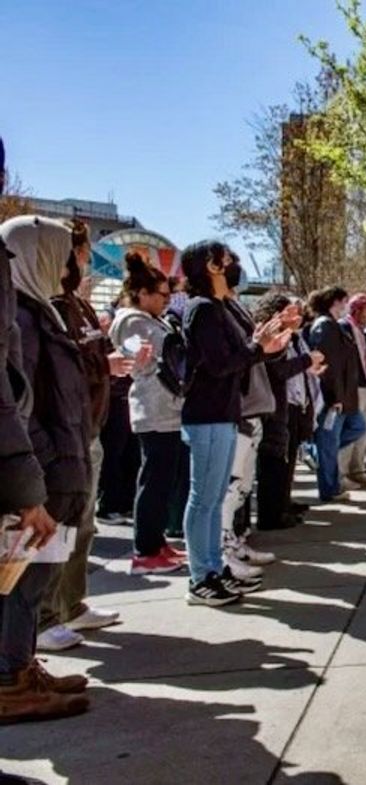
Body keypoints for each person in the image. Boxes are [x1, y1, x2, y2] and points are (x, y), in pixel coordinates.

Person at [0, 205, 89, 723]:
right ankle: (11, 678)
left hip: (54, 470)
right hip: (43, 475)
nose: (67, 268)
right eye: (59, 255)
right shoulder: (25, 320)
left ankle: (20, 664)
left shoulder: (39, 311)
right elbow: (17, 404)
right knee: (21, 581)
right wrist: (44, 466)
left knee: (33, 582)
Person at [180, 241, 291, 606]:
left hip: (223, 412)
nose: (231, 264)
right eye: (225, 259)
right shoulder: (202, 310)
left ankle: (213, 568)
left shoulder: (219, 308)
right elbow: (220, 363)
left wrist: (260, 345)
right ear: (211, 266)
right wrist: (259, 348)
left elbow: (235, 357)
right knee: (205, 499)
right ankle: (201, 576)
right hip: (207, 414)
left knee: (213, 499)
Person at [38, 220, 126, 650]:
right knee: (55, 531)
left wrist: (109, 364)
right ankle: (43, 616)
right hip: (59, 438)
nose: (87, 259)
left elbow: (91, 355)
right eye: (80, 251)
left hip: (87, 431)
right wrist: (102, 367)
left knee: (82, 526)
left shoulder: (78, 305)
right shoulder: (43, 306)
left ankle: (72, 604)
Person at [109, 252, 189, 574]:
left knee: (163, 480)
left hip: (167, 410)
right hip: (153, 411)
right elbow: (131, 344)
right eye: (162, 295)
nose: (167, 301)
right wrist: (135, 353)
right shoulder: (130, 319)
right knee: (154, 481)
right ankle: (144, 550)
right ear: (142, 294)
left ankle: (155, 542)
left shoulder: (156, 319)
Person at [255, 293, 324, 530]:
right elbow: (278, 371)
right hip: (274, 406)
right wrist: (306, 361)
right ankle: (271, 514)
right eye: (291, 311)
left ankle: (283, 503)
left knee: (288, 458)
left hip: (294, 404)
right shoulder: (270, 336)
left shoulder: (294, 338)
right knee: (274, 460)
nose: (298, 316)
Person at [306, 286, 365, 503]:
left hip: (345, 397)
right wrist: (334, 397)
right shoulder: (325, 327)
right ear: (335, 302)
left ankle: (315, 452)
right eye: (344, 302)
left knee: (357, 427)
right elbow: (328, 365)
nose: (346, 307)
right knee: (329, 443)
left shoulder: (334, 326)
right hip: (333, 398)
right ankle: (330, 489)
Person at [340, 293, 366, 485]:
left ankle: (357, 468)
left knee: (363, 430)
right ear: (357, 309)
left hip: (365, 385)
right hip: (353, 387)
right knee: (352, 428)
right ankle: (342, 473)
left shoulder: (361, 330)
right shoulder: (345, 327)